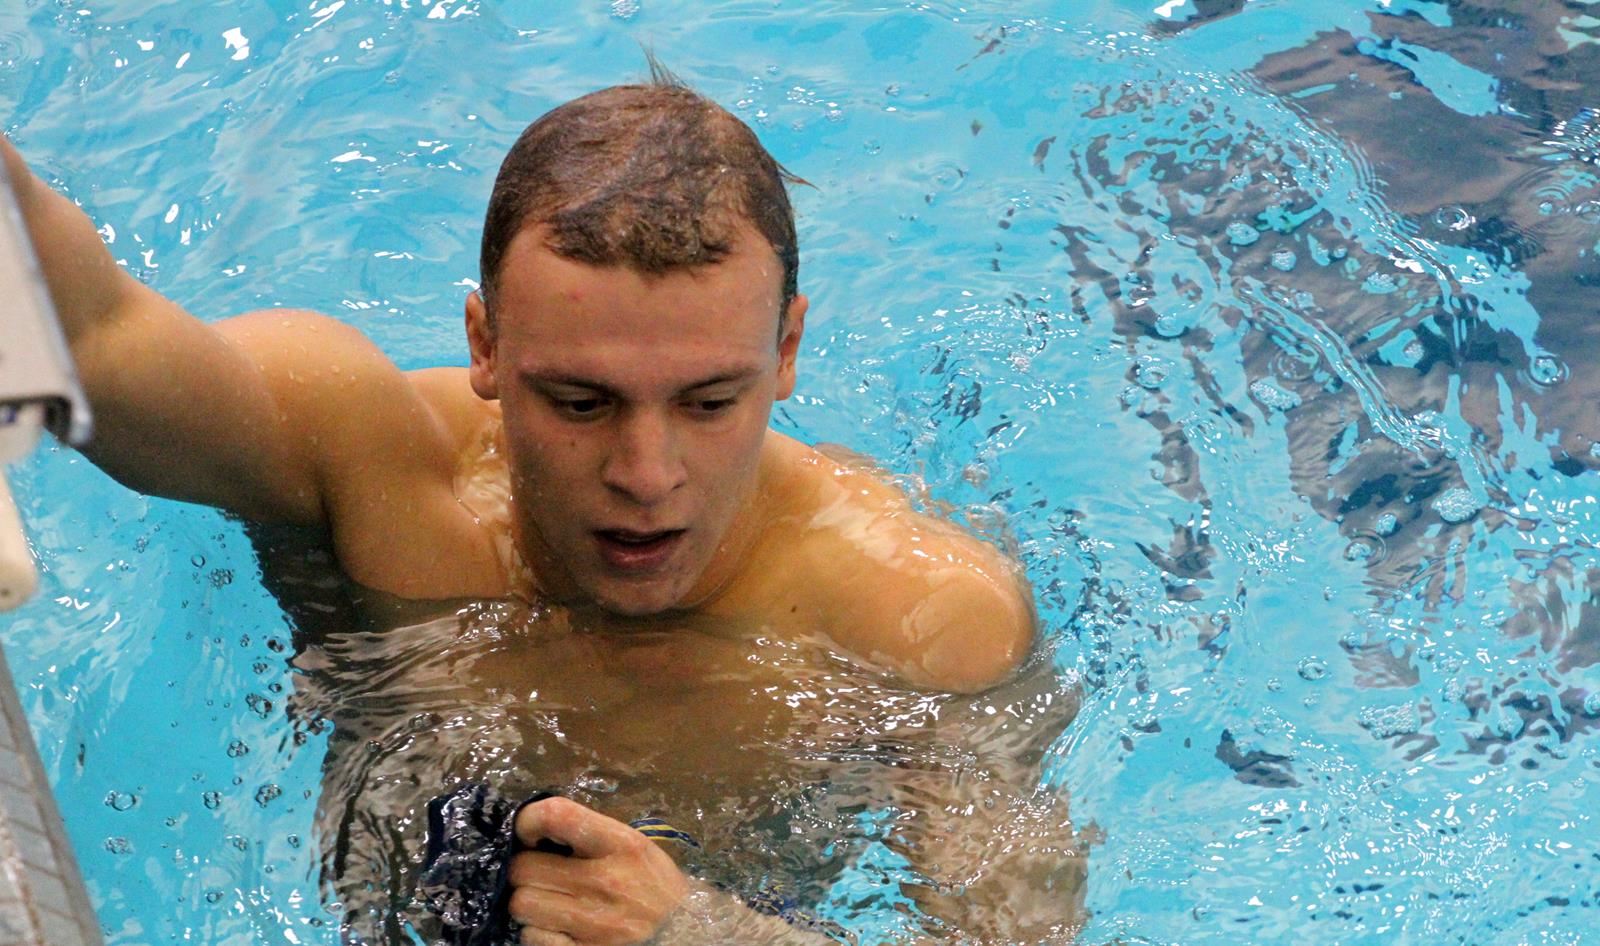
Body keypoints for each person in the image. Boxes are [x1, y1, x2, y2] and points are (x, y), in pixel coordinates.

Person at [4, 65, 1081, 944]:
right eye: (580, 402)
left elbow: (1015, 938)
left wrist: (702, 933)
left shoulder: (916, 614)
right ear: (484, 345)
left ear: (788, 351)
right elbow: (87, 337)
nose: (647, 473)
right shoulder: (377, 464)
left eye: (710, 402)